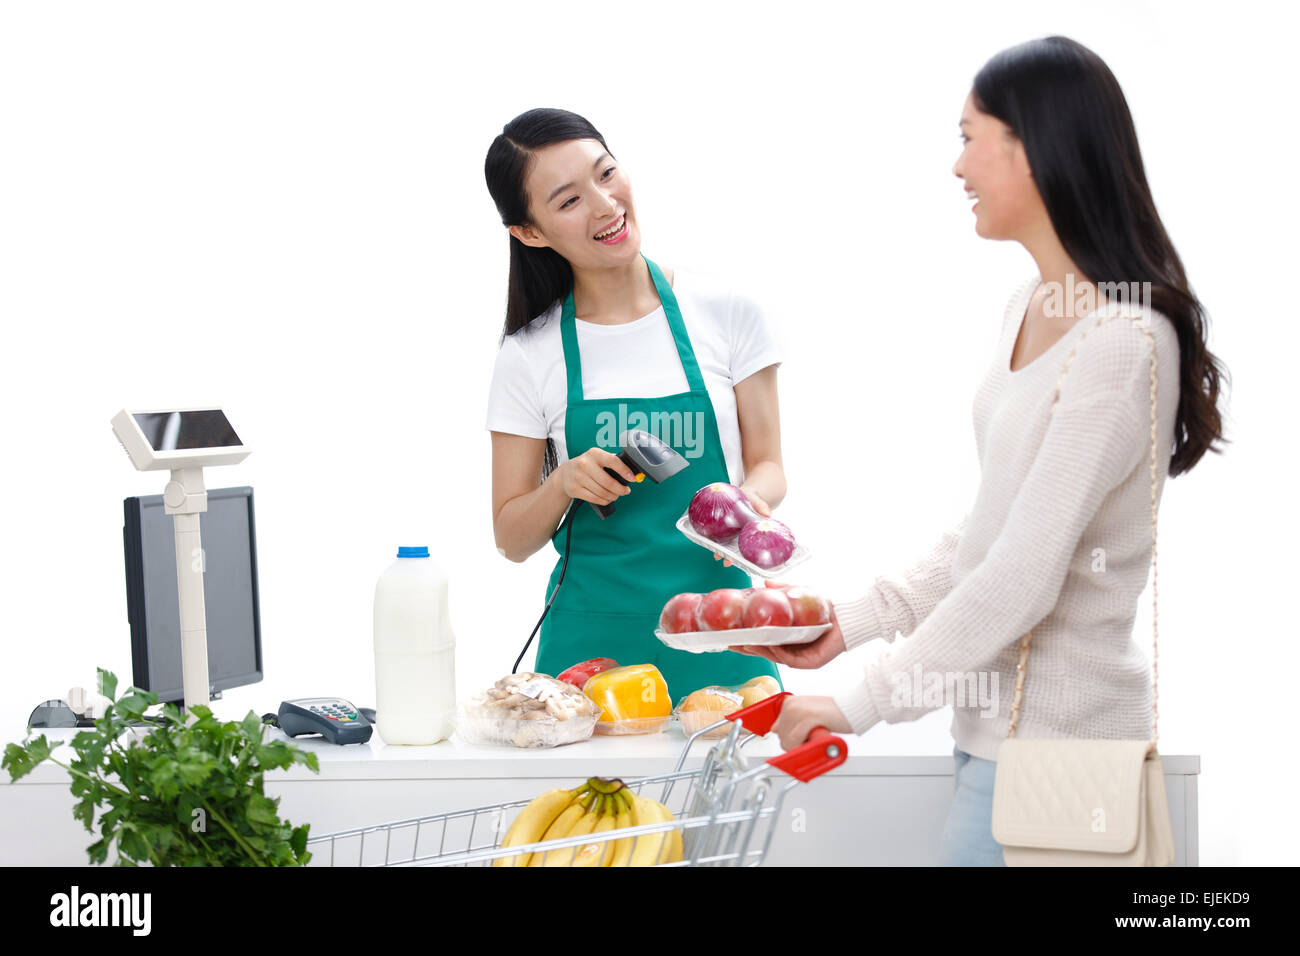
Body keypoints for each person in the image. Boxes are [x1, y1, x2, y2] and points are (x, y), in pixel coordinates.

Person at [735, 36, 1229, 865]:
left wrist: (857, 701)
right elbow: (989, 531)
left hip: (1062, 760)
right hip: (992, 742)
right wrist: (848, 623)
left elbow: (1022, 575)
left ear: (1034, 147)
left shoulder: (1123, 342)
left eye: (969, 136)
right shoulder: (1027, 308)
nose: (956, 166)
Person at [484, 108, 784, 696]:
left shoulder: (728, 313)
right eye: (569, 201)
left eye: (607, 173)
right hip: (590, 651)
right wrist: (563, 482)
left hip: (720, 630)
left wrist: (745, 507)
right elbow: (510, 538)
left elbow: (770, 466)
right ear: (529, 233)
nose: (605, 205)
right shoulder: (528, 354)